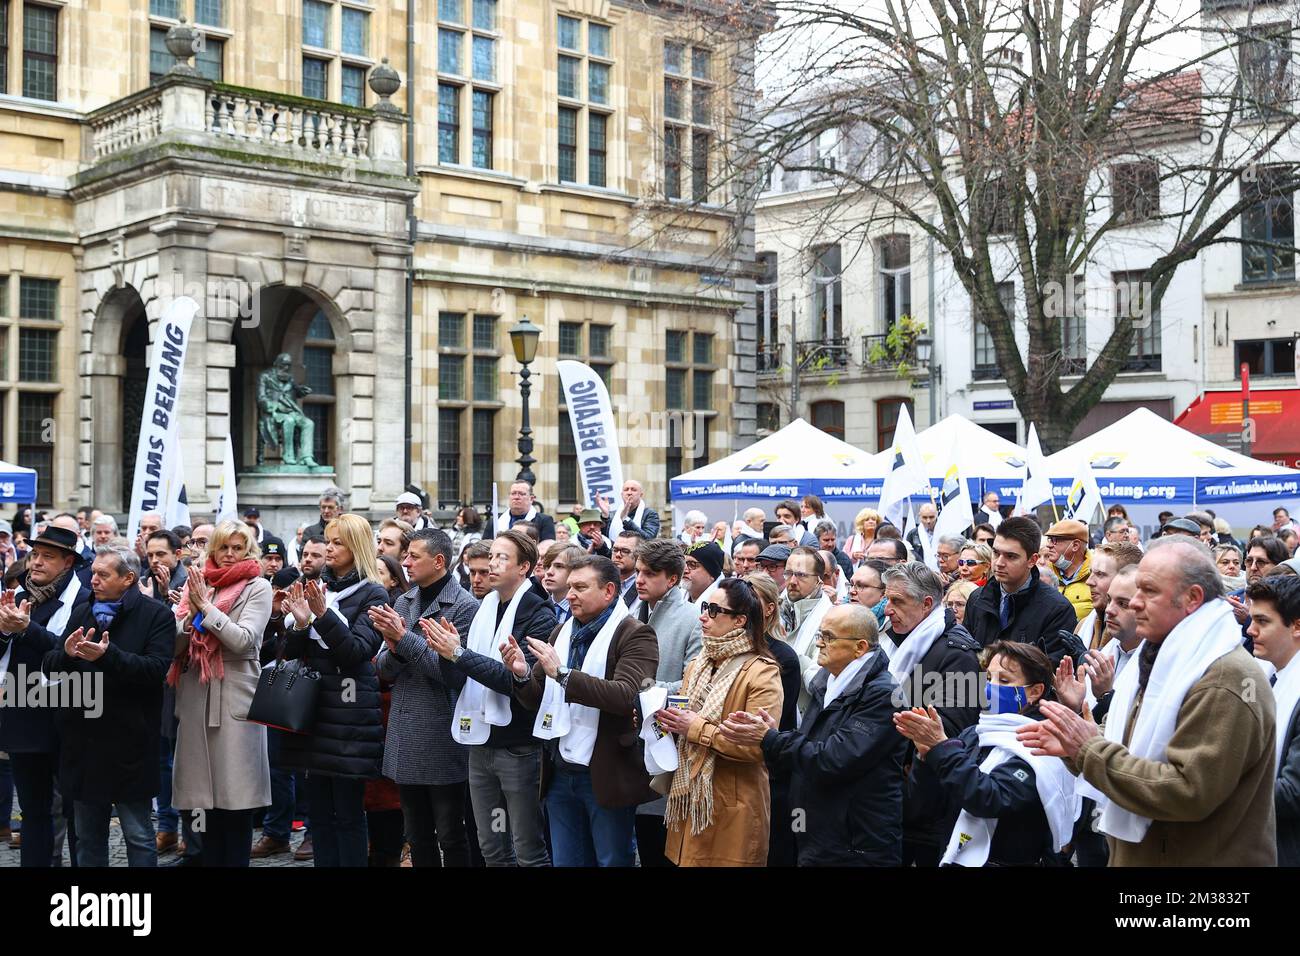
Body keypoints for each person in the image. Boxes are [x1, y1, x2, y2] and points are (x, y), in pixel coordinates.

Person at [1017, 537, 1278, 866]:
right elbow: (1129, 750)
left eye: (1148, 592)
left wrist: (1088, 748)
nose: (1135, 603)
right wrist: (1077, 745)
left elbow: (1187, 790)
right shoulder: (1166, 659)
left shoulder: (1225, 678)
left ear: (1192, 599)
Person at [719, 603, 905, 866]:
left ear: (860, 647)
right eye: (820, 635)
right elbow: (809, 749)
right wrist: (771, 735)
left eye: (828, 637)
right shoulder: (827, 684)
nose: (819, 643)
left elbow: (835, 759)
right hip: (817, 835)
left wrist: (771, 739)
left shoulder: (883, 695)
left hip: (856, 845)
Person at [508, 555, 659, 867]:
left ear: (608, 591)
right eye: (570, 587)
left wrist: (563, 674)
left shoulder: (634, 633)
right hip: (561, 769)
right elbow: (535, 699)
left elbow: (625, 696)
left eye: (580, 587)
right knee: (566, 861)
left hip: (605, 771)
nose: (570, 594)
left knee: (611, 860)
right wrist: (522, 673)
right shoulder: (561, 632)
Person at [422, 529, 555, 867]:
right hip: (480, 742)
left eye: (501, 558)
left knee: (527, 849)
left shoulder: (539, 614)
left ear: (524, 567)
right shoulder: (484, 608)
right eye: (490, 556)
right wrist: (447, 652)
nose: (492, 564)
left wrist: (459, 654)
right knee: (491, 847)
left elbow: (515, 682)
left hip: (518, 746)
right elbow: (458, 678)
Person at [43, 546, 175, 866]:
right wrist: (67, 654)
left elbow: (154, 670)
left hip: (130, 742)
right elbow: (50, 666)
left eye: (103, 575)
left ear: (128, 579)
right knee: (88, 839)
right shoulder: (83, 610)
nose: (94, 581)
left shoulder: (156, 615)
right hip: (84, 743)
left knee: (139, 836)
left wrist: (107, 656)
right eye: (93, 575)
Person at [898, 641, 1078, 866]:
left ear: (1034, 692)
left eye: (1004, 680)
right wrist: (926, 758)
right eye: (988, 678)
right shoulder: (974, 734)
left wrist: (942, 749)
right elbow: (926, 808)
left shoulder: (1043, 742)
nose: (991, 686)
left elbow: (991, 799)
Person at [279, 514, 389, 867]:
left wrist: (321, 616)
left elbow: (357, 652)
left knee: (348, 812)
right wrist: (298, 623)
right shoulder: (318, 586)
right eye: (328, 540)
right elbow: (293, 653)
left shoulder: (374, 592)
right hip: (314, 708)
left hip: (349, 712)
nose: (329, 547)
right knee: (319, 813)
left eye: (338, 542)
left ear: (356, 547)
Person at [369, 528, 480, 868]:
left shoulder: (464, 606)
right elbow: (383, 669)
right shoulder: (404, 600)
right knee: (416, 834)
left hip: (441, 732)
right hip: (406, 729)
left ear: (439, 561)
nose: (406, 562)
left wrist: (403, 641)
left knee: (450, 833)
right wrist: (394, 647)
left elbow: (454, 672)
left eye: (414, 556)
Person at [655, 577, 782, 867]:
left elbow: (758, 747)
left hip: (730, 809)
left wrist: (694, 728)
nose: (703, 616)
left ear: (739, 621)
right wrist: (661, 720)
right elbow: (683, 719)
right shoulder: (698, 665)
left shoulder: (763, 673)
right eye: (704, 607)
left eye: (714, 610)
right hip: (690, 804)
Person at [169, 519, 273, 868]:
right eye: (224, 547)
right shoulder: (198, 584)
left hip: (235, 696)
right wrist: (189, 616)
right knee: (202, 800)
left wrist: (206, 608)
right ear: (212, 549)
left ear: (248, 551)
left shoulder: (258, 587)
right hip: (197, 692)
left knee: (236, 800)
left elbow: (245, 639)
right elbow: (174, 643)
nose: (230, 555)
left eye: (238, 548)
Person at [880, 561, 982, 865]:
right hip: (895, 793)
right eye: (887, 599)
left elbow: (954, 732)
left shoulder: (958, 654)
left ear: (926, 604)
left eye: (897, 601)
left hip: (927, 800)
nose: (887, 609)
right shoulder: (897, 639)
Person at [0, 526, 90, 866]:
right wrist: (4, 631)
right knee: (34, 811)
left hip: (71, 713)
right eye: (34, 554)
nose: (36, 563)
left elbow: (71, 653)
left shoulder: (83, 598)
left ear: (68, 563)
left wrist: (26, 629)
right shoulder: (17, 595)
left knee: (77, 810)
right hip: (24, 714)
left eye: (46, 556)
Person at [632, 537, 705, 865]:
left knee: (665, 847)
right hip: (629, 743)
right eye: (637, 571)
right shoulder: (632, 610)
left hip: (670, 747)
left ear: (672, 578)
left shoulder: (693, 618)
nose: (639, 579)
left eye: (649, 573)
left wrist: (641, 688)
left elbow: (695, 684)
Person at [962, 516, 1081, 663]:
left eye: (1010, 556)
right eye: (996, 553)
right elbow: (966, 657)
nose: (999, 563)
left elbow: (1050, 669)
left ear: (1032, 560)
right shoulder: (977, 599)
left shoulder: (1057, 609)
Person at [1244, 576, 1300, 866]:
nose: (1251, 630)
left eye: (1263, 622)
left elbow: (1292, 793)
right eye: (1252, 619)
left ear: (1297, 626)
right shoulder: (1262, 675)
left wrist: (1220, 784)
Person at [781, 547, 835, 711]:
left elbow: (822, 682)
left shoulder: (831, 619)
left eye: (801, 575)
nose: (792, 581)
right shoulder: (776, 607)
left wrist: (785, 652)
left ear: (819, 580)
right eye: (788, 573)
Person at [1075, 541, 1142, 651]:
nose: (1089, 581)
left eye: (1100, 574)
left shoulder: (1134, 635)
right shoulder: (1083, 626)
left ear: (1123, 578)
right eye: (1090, 572)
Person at [1043, 519, 1092, 621]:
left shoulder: (1096, 576)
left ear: (1075, 545)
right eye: (1050, 539)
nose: (1049, 545)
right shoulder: (1044, 575)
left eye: (1055, 540)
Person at [541, 544, 583, 624]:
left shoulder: (585, 611)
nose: (549, 572)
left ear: (575, 570)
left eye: (559, 566)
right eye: (547, 566)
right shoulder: (537, 606)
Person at [682, 540, 725, 607]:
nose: (685, 570)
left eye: (692, 564)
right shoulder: (676, 596)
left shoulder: (723, 605)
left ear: (712, 573)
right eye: (683, 563)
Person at [849, 559, 889, 627]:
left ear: (884, 593)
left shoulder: (894, 627)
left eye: (861, 586)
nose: (851, 591)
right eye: (851, 585)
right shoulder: (836, 618)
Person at [610, 530, 643, 613]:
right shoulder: (602, 580)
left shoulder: (643, 585)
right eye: (615, 550)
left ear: (638, 555)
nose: (617, 555)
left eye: (625, 551)